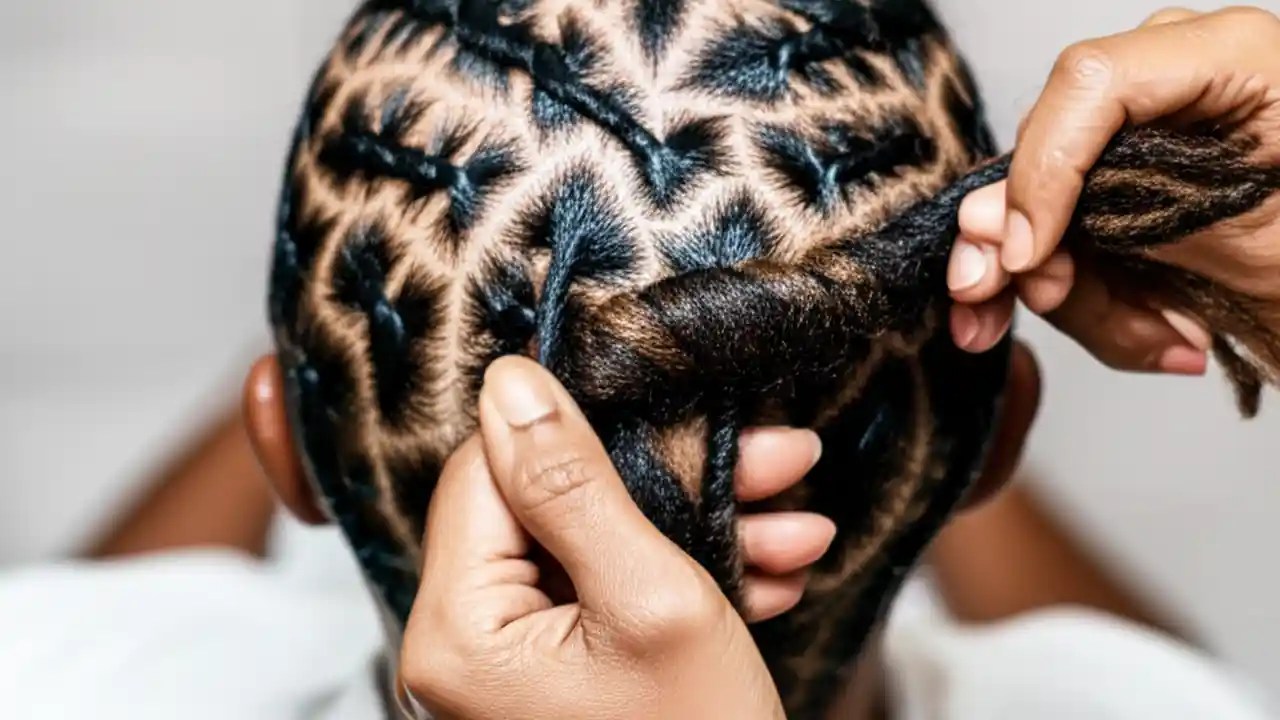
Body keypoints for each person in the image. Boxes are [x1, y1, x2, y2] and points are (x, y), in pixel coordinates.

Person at [0, 5, 1276, 720]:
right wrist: (884, 339)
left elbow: (122, 604)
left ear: (282, 452)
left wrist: (363, 332)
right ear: (999, 449)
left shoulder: (52, 672)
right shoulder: (1152, 698)